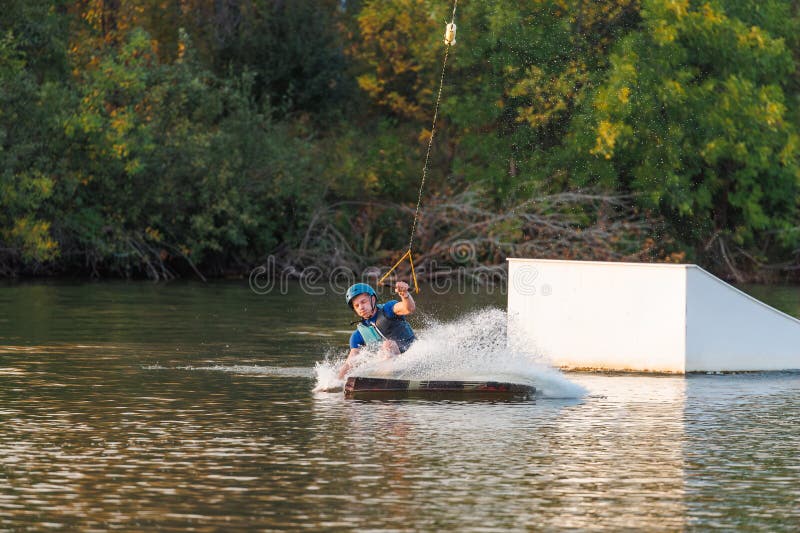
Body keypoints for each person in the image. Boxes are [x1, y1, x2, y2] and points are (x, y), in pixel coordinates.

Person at [338, 281, 416, 379]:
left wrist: (405, 295)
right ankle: (381, 376)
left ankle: (382, 377)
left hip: (413, 357)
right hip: (392, 365)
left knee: (388, 344)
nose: (361, 307)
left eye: (363, 302)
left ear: (373, 300)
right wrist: (335, 383)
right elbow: (350, 363)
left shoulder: (388, 309)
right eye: (356, 306)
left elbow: (409, 308)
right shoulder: (358, 335)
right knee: (361, 360)